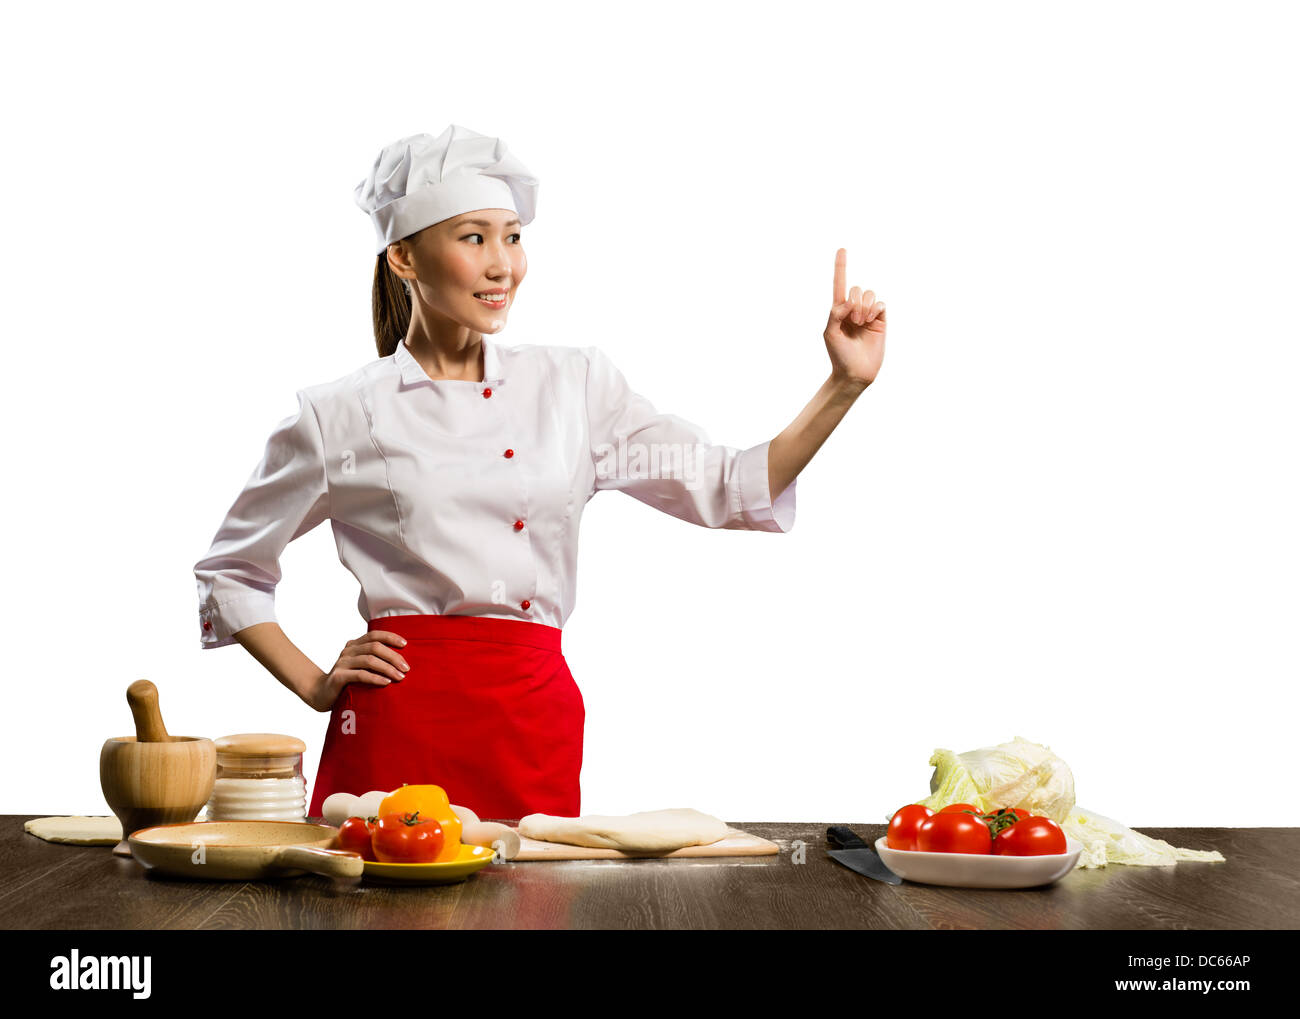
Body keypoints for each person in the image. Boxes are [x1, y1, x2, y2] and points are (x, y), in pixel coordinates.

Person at [193, 124, 887, 822]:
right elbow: (231, 570)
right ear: (403, 257)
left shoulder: (573, 387)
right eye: (473, 238)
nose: (503, 265)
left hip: (531, 723)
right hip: (398, 727)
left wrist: (842, 386)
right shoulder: (338, 414)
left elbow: (729, 485)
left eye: (513, 236)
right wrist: (316, 685)